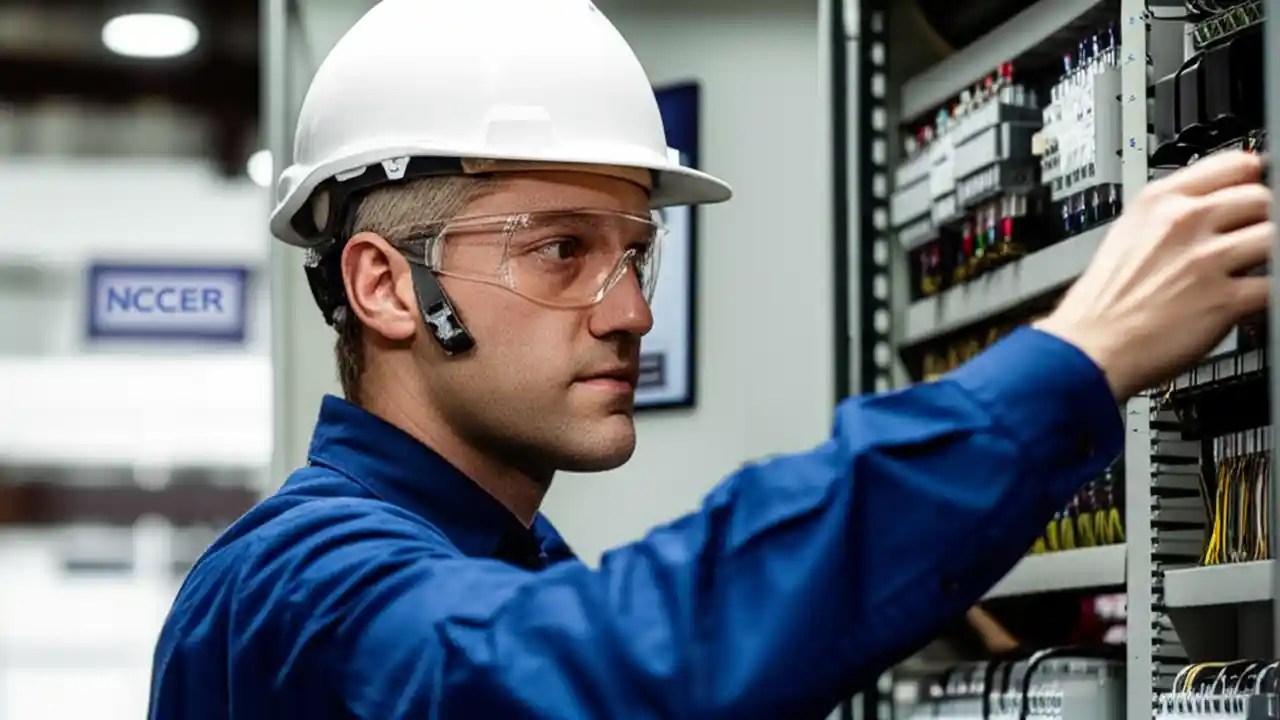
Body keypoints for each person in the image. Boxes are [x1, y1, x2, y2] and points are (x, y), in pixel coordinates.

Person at [147, 0, 1273, 717]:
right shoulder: (299, 589)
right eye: (558, 251)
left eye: (636, 251)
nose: (629, 309)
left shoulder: (505, 557)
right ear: (387, 287)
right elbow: (606, 671)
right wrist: (1070, 360)